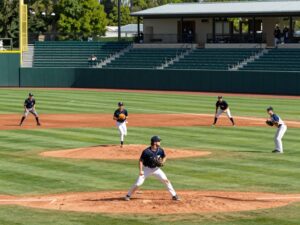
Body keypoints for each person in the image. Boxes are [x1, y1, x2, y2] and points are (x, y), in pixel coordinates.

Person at [125, 136, 179, 201]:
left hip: (156, 169)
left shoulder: (160, 150)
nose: (160, 142)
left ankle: (174, 195)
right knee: (138, 183)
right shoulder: (146, 151)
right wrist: (141, 170)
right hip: (147, 169)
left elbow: (164, 156)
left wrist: (162, 162)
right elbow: (141, 161)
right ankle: (128, 195)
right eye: (159, 141)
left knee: (166, 180)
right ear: (155, 142)